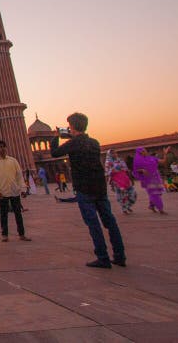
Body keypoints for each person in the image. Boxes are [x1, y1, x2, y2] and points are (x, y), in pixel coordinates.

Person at [51, 112, 125, 268]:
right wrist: (73, 137)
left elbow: (55, 152)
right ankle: (120, 256)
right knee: (110, 221)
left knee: (93, 224)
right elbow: (81, 143)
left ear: (71, 127)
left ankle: (103, 258)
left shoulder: (74, 144)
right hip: (99, 187)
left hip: (84, 188)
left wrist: (55, 136)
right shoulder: (94, 142)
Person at [0, 140, 31, 242]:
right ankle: (4, 235)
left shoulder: (13, 160)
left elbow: (19, 175)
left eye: (4, 146)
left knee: (18, 213)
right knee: (4, 214)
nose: (2, 148)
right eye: (0, 146)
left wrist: (22, 188)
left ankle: (21, 234)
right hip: (2, 191)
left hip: (14, 190)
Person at [132, 146, 170, 214]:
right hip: (147, 179)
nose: (145, 152)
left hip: (156, 178)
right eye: (143, 151)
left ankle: (151, 206)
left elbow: (163, 161)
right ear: (139, 153)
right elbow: (135, 170)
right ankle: (161, 209)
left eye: (145, 150)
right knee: (154, 194)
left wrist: (165, 154)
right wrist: (142, 170)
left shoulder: (152, 158)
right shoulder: (137, 161)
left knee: (158, 193)